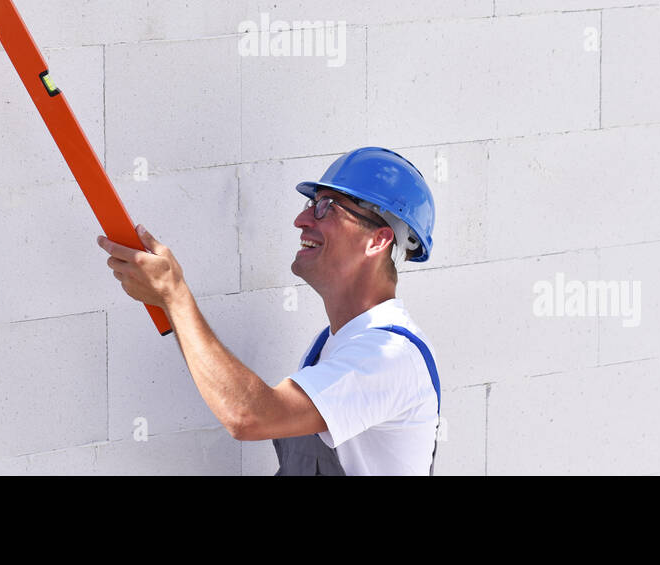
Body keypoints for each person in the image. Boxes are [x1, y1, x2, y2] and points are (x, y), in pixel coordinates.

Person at [99, 146, 441, 475]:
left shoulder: (388, 356)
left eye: (327, 206)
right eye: (311, 203)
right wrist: (168, 300)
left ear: (378, 240)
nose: (301, 219)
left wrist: (175, 297)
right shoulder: (331, 345)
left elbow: (250, 415)